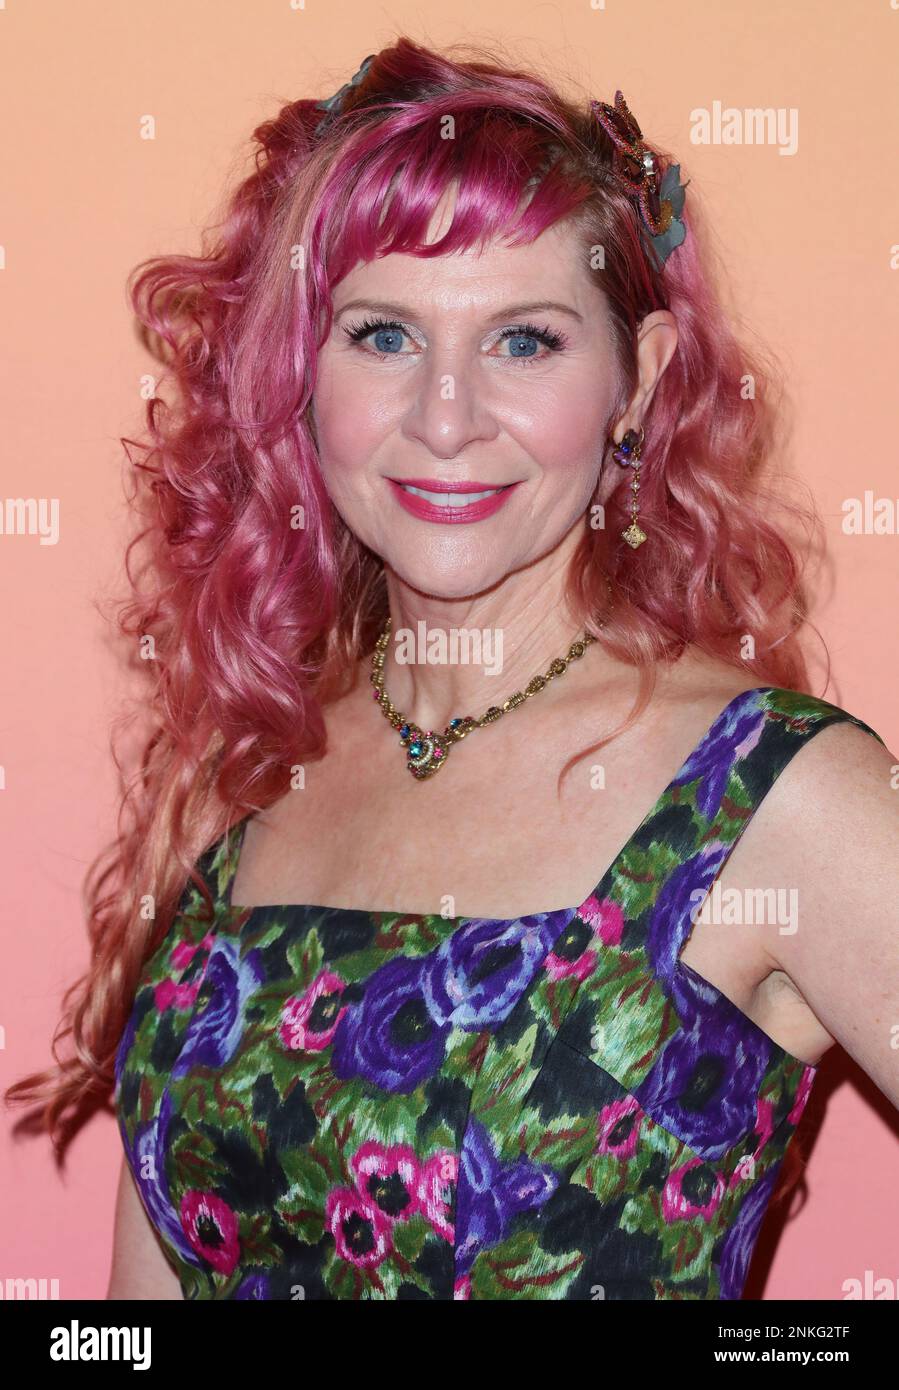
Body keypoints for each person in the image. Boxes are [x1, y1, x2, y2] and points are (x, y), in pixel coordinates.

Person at [6, 36, 897, 1302]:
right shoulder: (250, 767)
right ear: (298, 374)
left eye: (523, 342)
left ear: (635, 383)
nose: (444, 415)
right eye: (381, 335)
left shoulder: (776, 799)